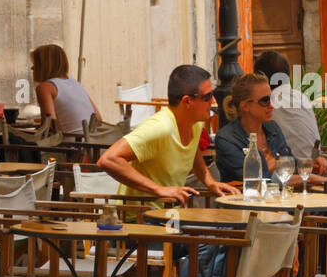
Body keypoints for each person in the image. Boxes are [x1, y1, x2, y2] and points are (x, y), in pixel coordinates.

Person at [97, 64, 237, 203]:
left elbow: (193, 152)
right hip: (138, 217)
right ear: (187, 101)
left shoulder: (195, 123)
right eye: (208, 96)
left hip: (170, 214)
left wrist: (210, 182)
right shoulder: (160, 127)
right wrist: (158, 189)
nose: (213, 101)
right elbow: (108, 159)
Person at [214, 72, 322, 187]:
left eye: (272, 99)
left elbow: (291, 165)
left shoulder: (272, 128)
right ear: (245, 106)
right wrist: (310, 178)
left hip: (281, 199)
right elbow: (258, 180)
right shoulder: (227, 139)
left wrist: (310, 166)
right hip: (246, 202)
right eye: (265, 101)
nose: (272, 105)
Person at [253, 50, 327, 176]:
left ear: (262, 77)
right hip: (313, 169)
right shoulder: (301, 97)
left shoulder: (268, 103)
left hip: (290, 174)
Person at [30, 44, 98, 137]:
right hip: (94, 145)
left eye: (35, 64)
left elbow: (49, 126)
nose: (32, 68)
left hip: (71, 147)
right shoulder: (76, 83)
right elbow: (98, 118)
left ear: (44, 66)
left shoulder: (45, 87)